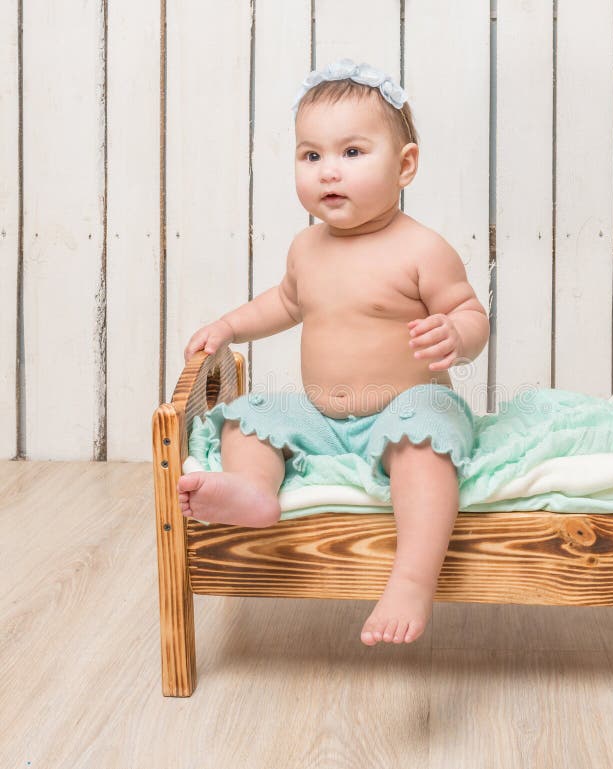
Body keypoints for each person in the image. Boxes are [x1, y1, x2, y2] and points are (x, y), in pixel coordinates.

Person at [177, 59, 489, 646]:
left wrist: (456, 333)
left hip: (406, 409)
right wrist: (228, 326)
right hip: (322, 418)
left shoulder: (422, 249)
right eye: (311, 155)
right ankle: (252, 490)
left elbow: (471, 313)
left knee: (426, 443)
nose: (328, 172)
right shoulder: (307, 248)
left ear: (405, 166)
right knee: (250, 416)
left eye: (351, 152)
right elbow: (284, 303)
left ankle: (413, 578)